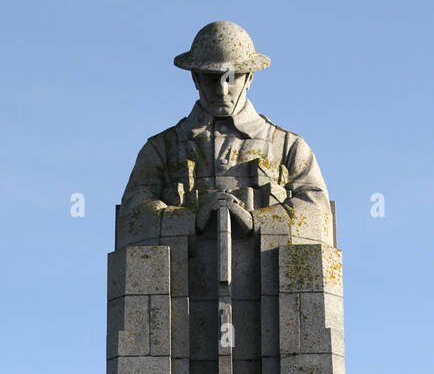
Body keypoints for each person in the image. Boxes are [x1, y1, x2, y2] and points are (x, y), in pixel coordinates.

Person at [117, 21, 333, 248]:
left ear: (249, 77)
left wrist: (255, 221)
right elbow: (133, 216)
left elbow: (318, 215)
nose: (222, 90)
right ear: (196, 78)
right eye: (212, 78)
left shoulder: (288, 146)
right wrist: (190, 221)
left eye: (231, 78)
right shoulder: (161, 149)